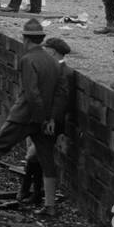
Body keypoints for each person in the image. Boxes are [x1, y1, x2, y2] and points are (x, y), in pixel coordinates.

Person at [0, 19, 58, 216]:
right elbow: (57, 93)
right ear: (41, 39)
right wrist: (48, 118)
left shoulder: (28, 60)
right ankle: (50, 205)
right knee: (46, 158)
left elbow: (32, 93)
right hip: (45, 119)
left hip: (25, 116)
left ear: (25, 39)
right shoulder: (52, 61)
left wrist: (38, 116)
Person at [19, 37, 72, 210]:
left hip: (50, 122)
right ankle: (31, 193)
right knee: (35, 155)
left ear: (53, 52)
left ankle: (29, 192)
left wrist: (52, 120)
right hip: (38, 118)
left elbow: (61, 100)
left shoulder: (63, 71)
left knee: (34, 155)